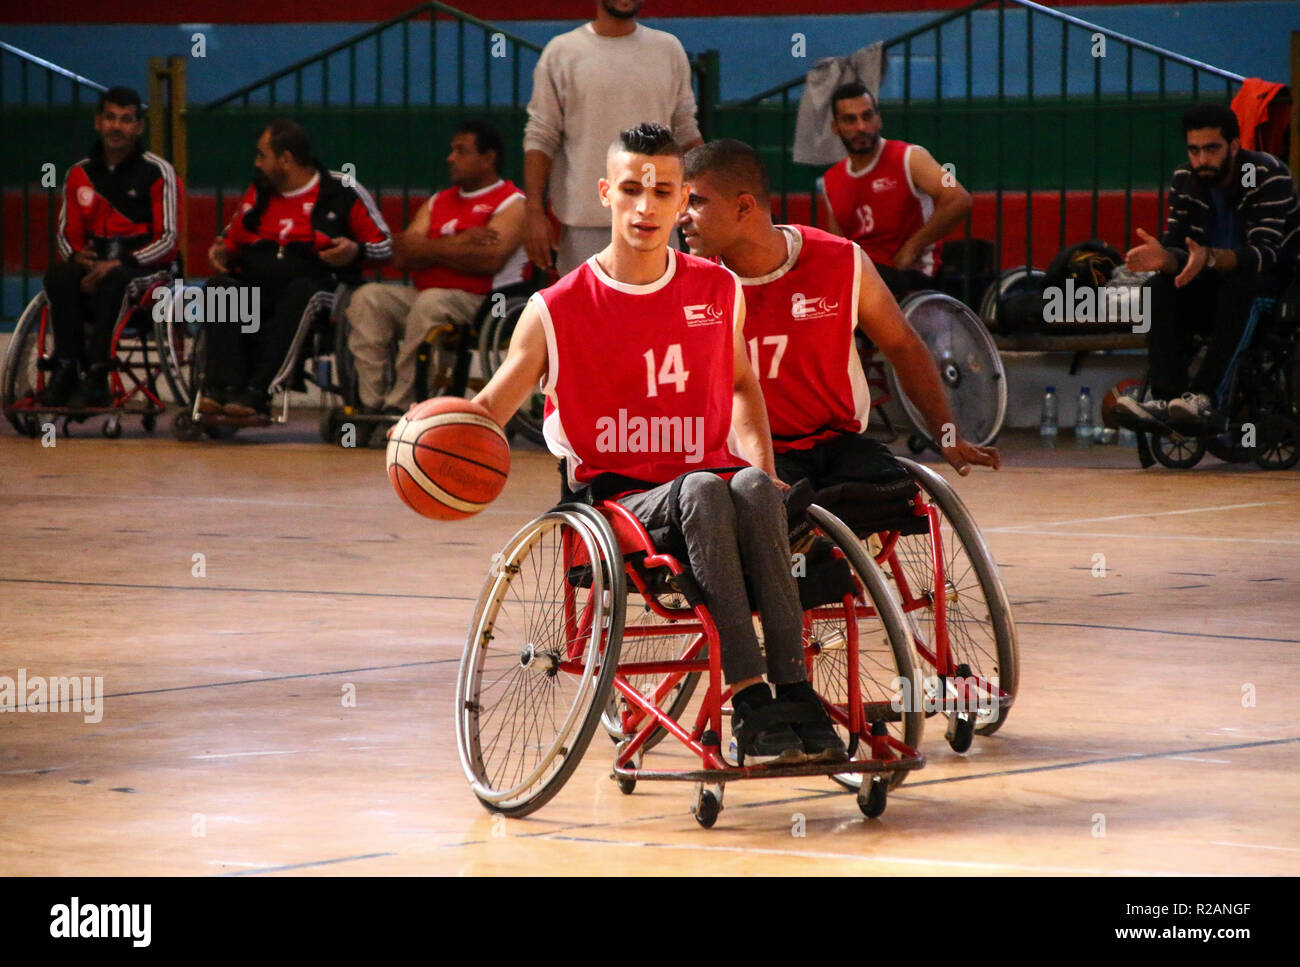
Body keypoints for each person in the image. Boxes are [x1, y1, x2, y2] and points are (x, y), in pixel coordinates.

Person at [474, 123, 845, 764]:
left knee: (753, 484)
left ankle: (794, 690)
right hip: (618, 501)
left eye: (663, 192)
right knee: (706, 487)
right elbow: (488, 412)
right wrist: (425, 431)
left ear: (681, 202)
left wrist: (763, 469)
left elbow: (741, 387)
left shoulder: (716, 288)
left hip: (711, 485)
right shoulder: (554, 308)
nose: (645, 207)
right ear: (604, 195)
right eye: (630, 190)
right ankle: (750, 696)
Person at [679, 138, 998, 492]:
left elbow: (903, 347)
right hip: (749, 457)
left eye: (694, 202)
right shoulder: (691, 282)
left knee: (899, 496)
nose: (681, 217)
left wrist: (947, 434)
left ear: (743, 207)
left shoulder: (841, 260)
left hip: (836, 445)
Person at [1116, 102, 1300, 431]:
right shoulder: (1186, 179)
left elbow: (1265, 254)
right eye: (1194, 150)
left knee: (1242, 285)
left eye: (1212, 149)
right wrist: (1166, 259)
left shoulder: (1265, 175)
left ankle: (1204, 398)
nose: (1202, 160)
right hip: (1214, 285)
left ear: (1234, 145)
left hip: (1275, 288)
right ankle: (1165, 400)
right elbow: (1178, 246)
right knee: (1159, 286)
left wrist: (1210, 258)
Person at [201, 119, 392, 418]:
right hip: (258, 286)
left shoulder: (341, 188)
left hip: (320, 288)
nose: (257, 163)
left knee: (303, 293)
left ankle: (258, 391)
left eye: (262, 155)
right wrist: (223, 249)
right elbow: (232, 236)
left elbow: (386, 246)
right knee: (220, 288)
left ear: (286, 159)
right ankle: (221, 389)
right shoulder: (259, 192)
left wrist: (356, 250)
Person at [346, 119, 526, 420]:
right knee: (368, 297)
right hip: (425, 295)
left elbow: (489, 260)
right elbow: (402, 256)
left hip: (483, 303)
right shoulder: (438, 201)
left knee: (432, 302)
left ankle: (403, 405)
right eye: (451, 150)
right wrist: (460, 242)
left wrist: (428, 246)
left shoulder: (512, 202)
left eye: (461, 151)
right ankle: (370, 404)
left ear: (489, 157)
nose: (450, 158)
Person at [522, 0, 702, 276]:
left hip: (659, 219)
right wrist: (533, 210)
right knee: (587, 317)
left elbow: (686, 132)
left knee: (656, 316)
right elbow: (540, 136)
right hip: (586, 222)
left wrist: (708, 197)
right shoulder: (562, 52)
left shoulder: (668, 49)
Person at [41, 86, 180, 408]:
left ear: (139, 127)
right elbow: (66, 232)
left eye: (126, 119)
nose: (117, 126)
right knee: (60, 276)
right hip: (95, 263)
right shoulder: (79, 173)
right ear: (98, 123)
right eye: (110, 118)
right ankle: (66, 369)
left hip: (147, 270)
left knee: (117, 280)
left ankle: (98, 373)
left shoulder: (159, 172)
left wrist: (120, 263)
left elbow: (169, 239)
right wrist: (78, 257)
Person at [819, 82, 972, 299]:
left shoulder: (911, 157)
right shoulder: (831, 180)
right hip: (863, 276)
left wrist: (912, 246)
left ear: (878, 119)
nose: (861, 127)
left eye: (867, 116)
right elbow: (840, 248)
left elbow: (959, 199)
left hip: (909, 274)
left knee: (862, 281)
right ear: (836, 128)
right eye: (850, 120)